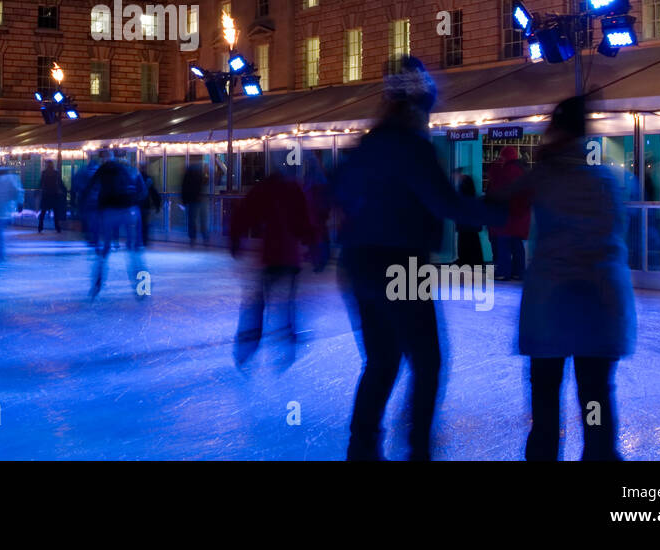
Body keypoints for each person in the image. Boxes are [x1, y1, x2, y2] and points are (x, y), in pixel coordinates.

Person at [330, 56, 505, 461]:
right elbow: (445, 203)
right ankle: (418, 449)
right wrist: (498, 212)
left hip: (358, 262)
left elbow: (335, 191)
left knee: (382, 360)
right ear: (418, 105)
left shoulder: (369, 143)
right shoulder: (410, 146)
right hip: (402, 263)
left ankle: (362, 447)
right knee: (427, 360)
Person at [517, 96, 636, 461]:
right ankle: (599, 455)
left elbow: (496, 202)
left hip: (551, 304)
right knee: (596, 394)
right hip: (599, 304)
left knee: (546, 397)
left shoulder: (545, 175)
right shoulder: (607, 179)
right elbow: (617, 236)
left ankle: (544, 455)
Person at [230, 162, 324, 368]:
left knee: (258, 301)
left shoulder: (265, 188)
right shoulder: (293, 189)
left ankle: (248, 344)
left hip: (269, 257)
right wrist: (315, 246)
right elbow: (306, 222)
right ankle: (284, 340)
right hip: (288, 257)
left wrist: (235, 237)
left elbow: (244, 213)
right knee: (285, 301)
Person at [86, 151, 147, 297]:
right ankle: (143, 288)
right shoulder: (128, 169)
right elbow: (143, 190)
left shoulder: (103, 169)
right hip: (130, 210)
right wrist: (135, 204)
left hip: (110, 212)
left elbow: (89, 188)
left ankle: (97, 284)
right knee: (134, 250)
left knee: (105, 249)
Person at [486, 146, 530, 280]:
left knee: (503, 244)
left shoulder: (504, 170)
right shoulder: (523, 169)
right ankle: (519, 272)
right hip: (521, 214)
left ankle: (504, 271)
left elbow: (496, 186)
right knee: (517, 245)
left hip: (506, 214)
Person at [72, 152, 106, 248]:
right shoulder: (100, 172)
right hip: (97, 201)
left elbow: (76, 184)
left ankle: (90, 236)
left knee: (88, 219)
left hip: (86, 201)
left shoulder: (83, 172)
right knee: (95, 220)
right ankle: (94, 237)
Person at [453, 169, 485, 266]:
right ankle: (473, 261)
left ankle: (466, 260)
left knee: (465, 241)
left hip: (465, 224)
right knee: (472, 241)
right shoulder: (472, 197)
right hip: (470, 225)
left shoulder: (463, 195)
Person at [181, 162, 210, 245]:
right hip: (201, 200)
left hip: (193, 201)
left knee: (192, 220)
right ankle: (205, 238)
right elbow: (205, 182)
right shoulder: (201, 175)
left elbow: (184, 188)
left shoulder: (189, 175)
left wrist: (185, 201)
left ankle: (193, 238)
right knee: (203, 220)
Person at [37, 160, 66, 234]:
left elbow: (41, 183)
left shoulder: (44, 173)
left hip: (46, 194)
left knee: (43, 211)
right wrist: (63, 190)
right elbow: (60, 183)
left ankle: (40, 227)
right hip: (54, 194)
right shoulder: (56, 173)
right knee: (56, 212)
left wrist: (38, 191)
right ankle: (57, 227)